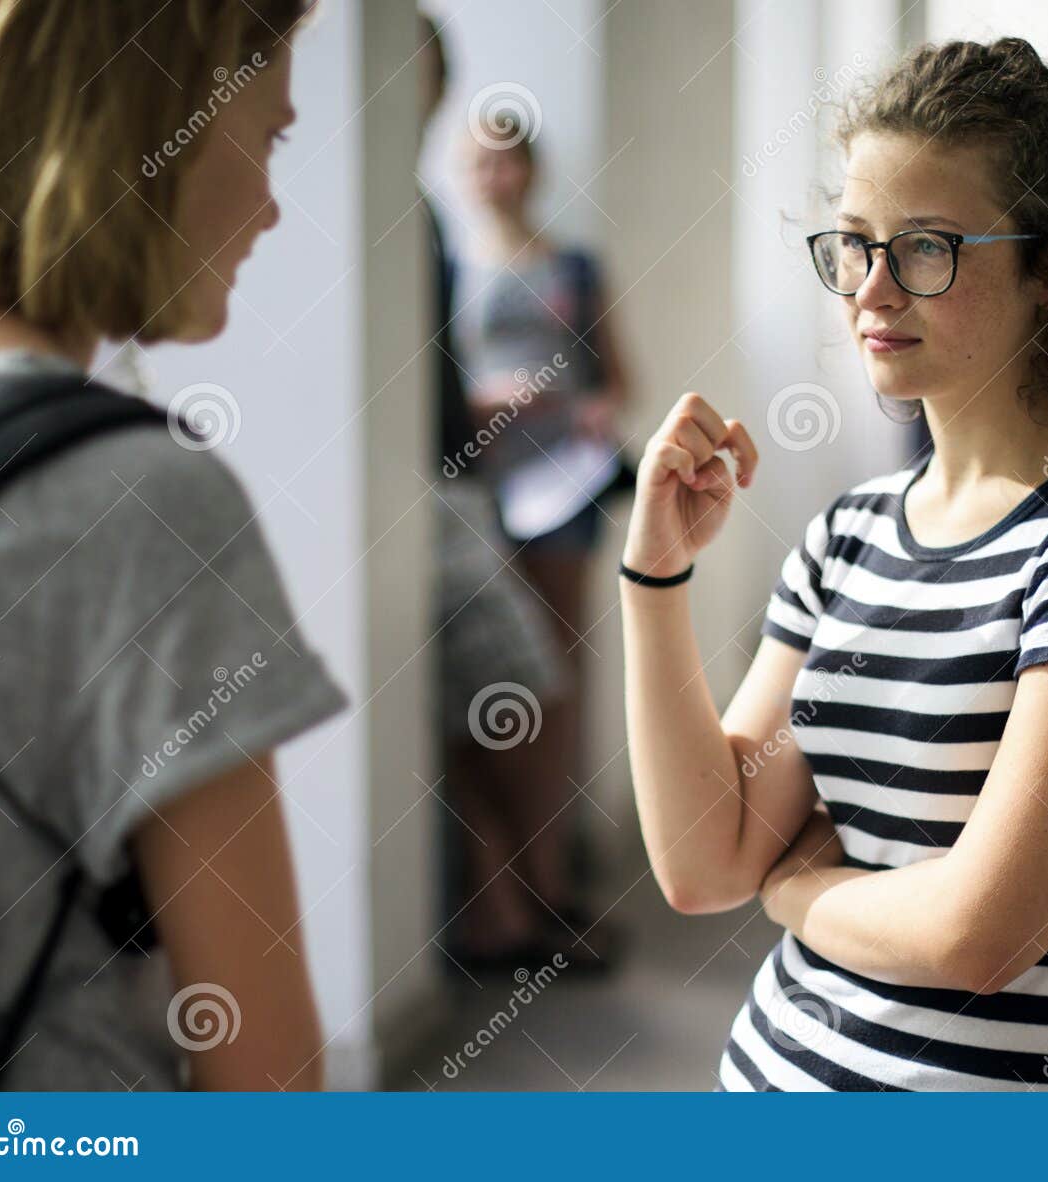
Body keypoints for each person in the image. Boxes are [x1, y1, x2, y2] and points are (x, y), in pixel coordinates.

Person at [621, 38, 1048, 1091]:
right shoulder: (850, 532)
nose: (872, 291)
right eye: (855, 244)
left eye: (928, 248)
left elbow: (978, 939)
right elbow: (707, 862)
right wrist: (654, 582)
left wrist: (798, 889)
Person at [0, 0, 342, 1090]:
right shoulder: (142, 506)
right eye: (269, 137)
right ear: (148, 125)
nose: (268, 206)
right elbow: (268, 1090)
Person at [415, 15, 614, 976]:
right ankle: (511, 899)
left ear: (530, 168)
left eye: (507, 160)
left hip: (561, 486)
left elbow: (615, 372)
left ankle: (552, 881)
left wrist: (585, 412)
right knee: (496, 690)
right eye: (477, 163)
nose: (493, 178)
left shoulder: (573, 265)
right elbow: (438, 382)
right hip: (476, 486)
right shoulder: (442, 264)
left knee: (552, 684)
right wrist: (491, 402)